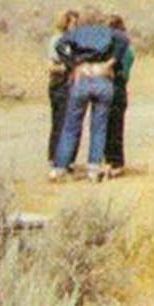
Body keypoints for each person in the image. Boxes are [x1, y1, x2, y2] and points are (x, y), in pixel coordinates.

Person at [52, 14, 130, 182]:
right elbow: (124, 40)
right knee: (99, 127)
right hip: (102, 78)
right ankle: (93, 169)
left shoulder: (77, 33)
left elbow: (59, 45)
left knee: (71, 126)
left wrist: (74, 64)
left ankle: (60, 168)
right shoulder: (108, 32)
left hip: (83, 78)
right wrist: (110, 63)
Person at [104, 15, 135, 176]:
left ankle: (113, 161)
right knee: (115, 127)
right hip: (118, 88)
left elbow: (121, 72)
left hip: (114, 86)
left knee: (110, 126)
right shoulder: (127, 49)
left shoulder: (119, 50)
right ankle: (113, 161)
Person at [46, 9, 79, 163]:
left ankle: (63, 157)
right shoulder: (58, 41)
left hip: (69, 84)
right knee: (60, 121)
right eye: (74, 23)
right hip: (60, 84)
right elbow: (51, 66)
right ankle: (57, 157)